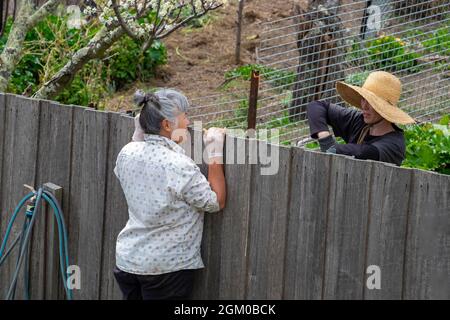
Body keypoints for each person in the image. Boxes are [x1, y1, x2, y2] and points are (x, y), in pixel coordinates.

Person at [113, 88, 226, 300]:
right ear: (166, 125)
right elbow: (215, 201)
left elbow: (128, 169)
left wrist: (140, 133)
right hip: (165, 268)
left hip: (128, 261)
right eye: (184, 116)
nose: (188, 122)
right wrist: (214, 151)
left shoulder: (127, 153)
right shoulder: (178, 165)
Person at [305, 71, 416, 166]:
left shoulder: (393, 145)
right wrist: (324, 137)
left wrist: (330, 148)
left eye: (372, 102)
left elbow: (363, 152)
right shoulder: (360, 120)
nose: (364, 106)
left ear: (386, 109)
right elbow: (316, 106)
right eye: (363, 98)